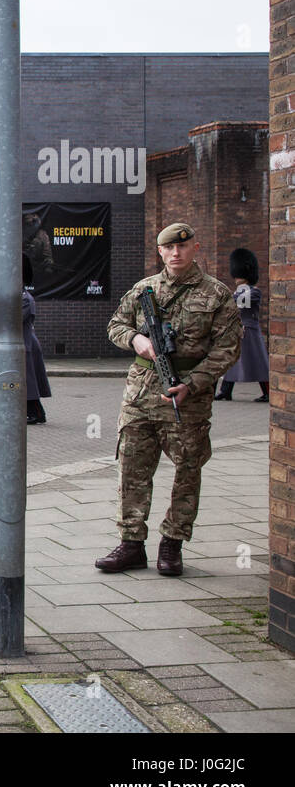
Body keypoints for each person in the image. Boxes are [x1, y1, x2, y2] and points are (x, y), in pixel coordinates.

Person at [96, 223, 241, 576]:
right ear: (160, 251)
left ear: (195, 248)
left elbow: (228, 348)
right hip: (140, 393)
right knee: (132, 468)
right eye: (169, 248)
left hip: (187, 397)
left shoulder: (216, 294)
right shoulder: (143, 289)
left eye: (183, 246)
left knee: (187, 470)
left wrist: (193, 383)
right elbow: (115, 325)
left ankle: (172, 543)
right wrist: (135, 340)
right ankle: (131, 544)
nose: (176, 253)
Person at [216, 248, 269, 403]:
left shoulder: (254, 292)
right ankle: (226, 391)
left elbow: (239, 303)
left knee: (258, 362)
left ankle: (268, 391)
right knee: (231, 361)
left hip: (250, 331)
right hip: (237, 330)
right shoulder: (237, 292)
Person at [22, 255, 51, 424]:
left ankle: (36, 414)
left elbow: (12, 321)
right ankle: (35, 413)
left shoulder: (25, 299)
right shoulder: (20, 297)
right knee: (26, 381)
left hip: (27, 343)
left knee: (29, 381)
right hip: (23, 342)